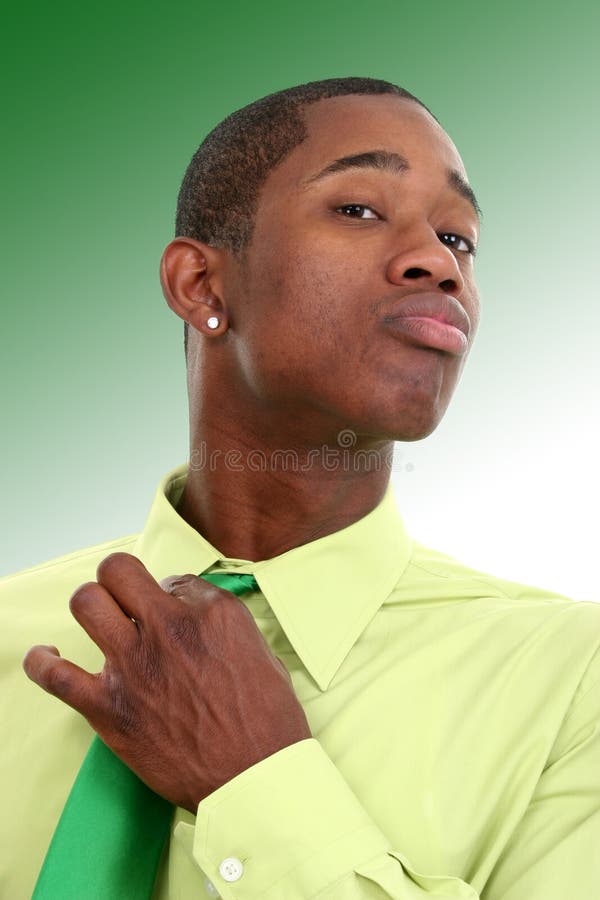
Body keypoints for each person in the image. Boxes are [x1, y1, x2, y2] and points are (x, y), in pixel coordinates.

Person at [1, 77, 598, 900]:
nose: (439, 262)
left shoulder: (573, 682)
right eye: (359, 209)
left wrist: (252, 781)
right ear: (200, 285)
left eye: (458, 238)